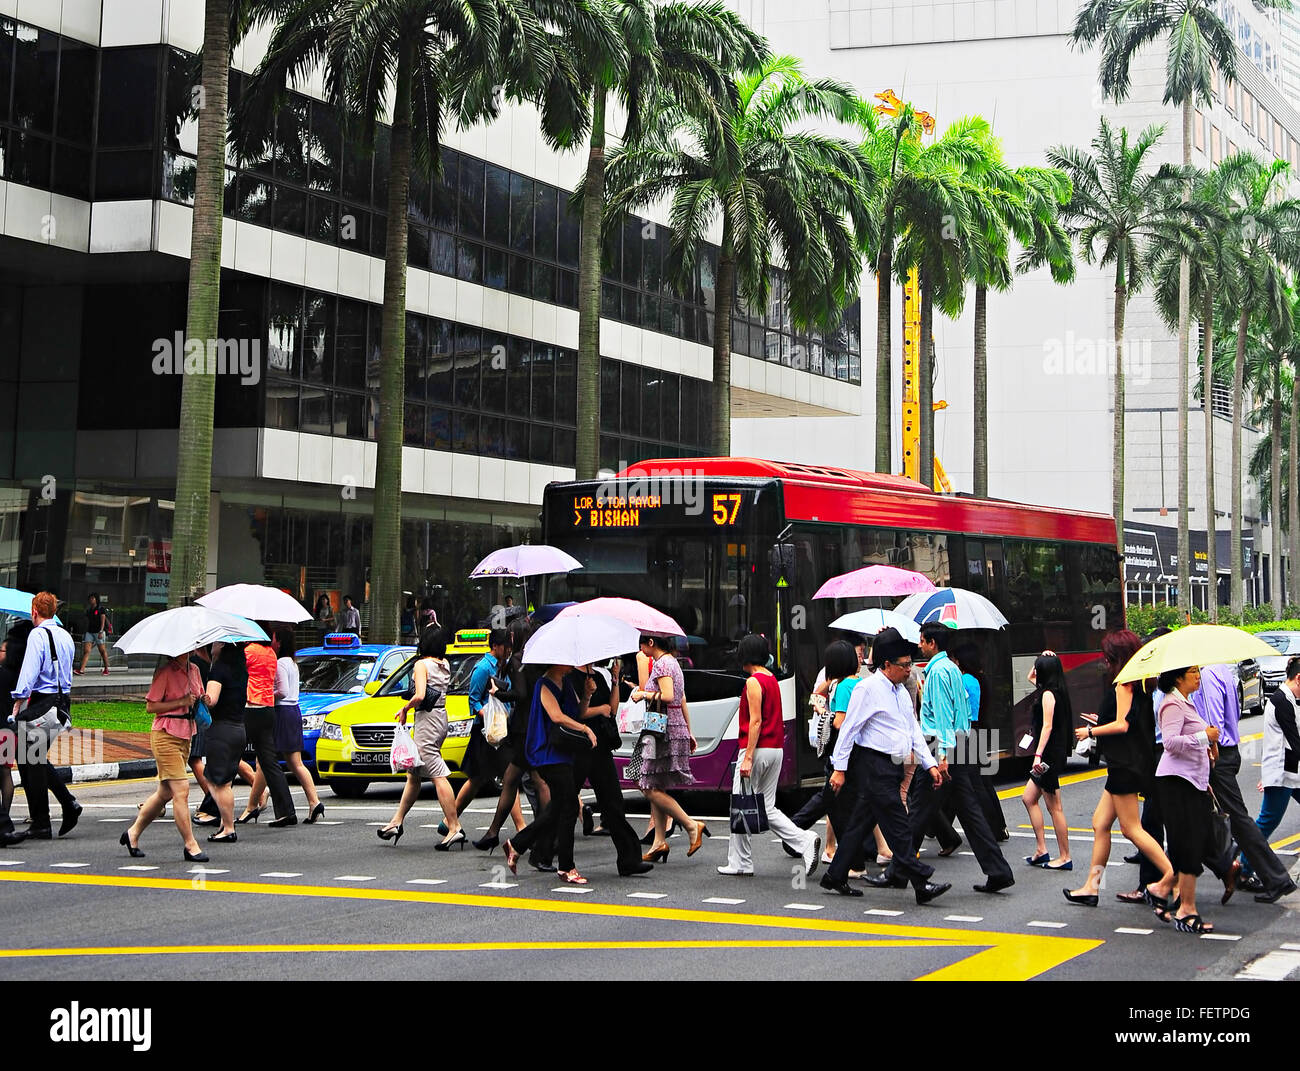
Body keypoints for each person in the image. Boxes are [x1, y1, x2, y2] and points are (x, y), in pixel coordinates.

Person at [819, 627, 950, 905]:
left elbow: (913, 730)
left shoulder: (901, 691)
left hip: (892, 766)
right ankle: (921, 881)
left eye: (910, 664)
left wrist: (930, 765)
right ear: (887, 665)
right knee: (898, 824)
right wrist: (839, 769)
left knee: (859, 823)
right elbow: (849, 730)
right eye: (904, 665)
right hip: (873, 765)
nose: (909, 670)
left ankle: (835, 874)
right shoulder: (867, 689)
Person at [891, 623, 1014, 894]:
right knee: (969, 812)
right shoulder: (953, 669)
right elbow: (959, 713)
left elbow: (943, 716)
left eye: (922, 641)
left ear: (932, 643)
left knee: (920, 807)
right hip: (962, 742)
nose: (919, 645)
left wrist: (942, 757)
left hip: (940, 747)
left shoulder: (936, 672)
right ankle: (999, 870)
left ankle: (898, 870)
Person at [1063, 630, 1175, 909]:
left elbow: (1122, 725)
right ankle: (1092, 886)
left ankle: (1172, 876)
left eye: (1108, 657)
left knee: (1131, 828)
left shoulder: (1123, 683)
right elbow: (1129, 722)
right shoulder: (1141, 683)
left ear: (1117, 658)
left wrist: (1090, 730)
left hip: (1124, 765)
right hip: (1127, 763)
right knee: (1100, 823)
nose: (1104, 661)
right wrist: (1100, 721)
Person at [1194, 661, 1297, 904]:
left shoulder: (1207, 677)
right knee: (1195, 818)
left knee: (1239, 820)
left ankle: (1275, 878)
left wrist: (1207, 751)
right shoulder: (1223, 672)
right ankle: (1171, 879)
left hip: (1217, 755)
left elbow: (1213, 728)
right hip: (1229, 753)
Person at [719, 634, 820, 877]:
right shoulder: (772, 679)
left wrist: (748, 757)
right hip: (775, 749)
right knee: (766, 806)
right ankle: (803, 840)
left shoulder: (753, 682)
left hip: (757, 749)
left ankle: (741, 862)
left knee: (740, 804)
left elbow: (755, 722)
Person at [504, 662, 598, 884]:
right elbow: (556, 716)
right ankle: (566, 867)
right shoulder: (543, 684)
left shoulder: (565, 682)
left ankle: (516, 845)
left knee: (558, 807)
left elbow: (579, 712)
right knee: (569, 806)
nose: (572, 665)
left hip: (563, 752)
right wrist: (585, 729)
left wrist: (587, 694)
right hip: (546, 753)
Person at [378, 627, 464, 849]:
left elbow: (420, 695)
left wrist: (405, 707)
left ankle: (454, 827)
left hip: (427, 721)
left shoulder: (421, 664)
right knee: (414, 775)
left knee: (436, 773)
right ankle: (396, 821)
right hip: (441, 717)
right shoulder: (443, 664)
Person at [121, 651, 208, 861]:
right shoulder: (165, 672)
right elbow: (151, 706)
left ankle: (132, 833)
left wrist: (204, 699)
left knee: (165, 793)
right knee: (181, 790)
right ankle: (190, 845)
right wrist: (181, 701)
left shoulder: (194, 670)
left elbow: (199, 697)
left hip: (186, 734)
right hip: (165, 734)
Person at [1153, 665, 1221, 933]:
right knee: (1189, 844)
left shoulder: (1187, 703)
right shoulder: (1172, 705)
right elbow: (1169, 742)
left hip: (1192, 782)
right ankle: (1186, 909)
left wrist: (1208, 746)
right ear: (1178, 677)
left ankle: (1161, 889)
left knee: (1196, 843)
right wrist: (1204, 736)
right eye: (1192, 671)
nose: (1198, 676)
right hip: (1176, 783)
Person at [570, 659, 653, 876]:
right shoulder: (571, 678)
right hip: (580, 746)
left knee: (614, 802)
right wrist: (599, 707)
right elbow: (577, 713)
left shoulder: (598, 675)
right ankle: (530, 846)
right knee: (565, 802)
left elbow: (613, 708)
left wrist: (615, 679)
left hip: (601, 746)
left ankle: (629, 860)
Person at [629, 635, 709, 862]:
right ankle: (659, 842)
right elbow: (682, 698)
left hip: (662, 729)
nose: (641, 650)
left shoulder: (663, 663)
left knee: (648, 785)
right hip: (672, 726)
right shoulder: (673, 662)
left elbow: (669, 696)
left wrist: (642, 694)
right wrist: (689, 730)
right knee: (656, 783)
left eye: (642, 645)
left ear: (651, 643)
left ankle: (691, 825)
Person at [10, 592, 79, 841]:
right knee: (32, 758)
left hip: (43, 702)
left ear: (35, 611)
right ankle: (67, 804)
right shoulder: (65, 635)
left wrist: (18, 701)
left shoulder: (38, 634)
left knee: (30, 758)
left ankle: (42, 821)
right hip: (61, 704)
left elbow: (29, 672)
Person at [791, 640, 862, 864]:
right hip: (857, 753)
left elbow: (840, 722)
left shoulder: (842, 688)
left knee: (832, 801)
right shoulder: (857, 683)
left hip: (841, 753)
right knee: (842, 804)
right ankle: (851, 856)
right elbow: (816, 696)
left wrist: (824, 713)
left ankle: (793, 834)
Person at [474, 620, 538, 851]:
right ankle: (493, 832)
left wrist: (498, 693)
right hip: (533, 726)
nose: (509, 640)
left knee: (535, 781)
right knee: (512, 780)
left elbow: (520, 694)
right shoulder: (536, 658)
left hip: (522, 729)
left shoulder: (518, 661)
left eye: (511, 635)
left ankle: (543, 833)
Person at [442, 629, 512, 834]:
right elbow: (473, 699)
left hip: (499, 728)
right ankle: (521, 826)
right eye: (505, 647)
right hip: (486, 731)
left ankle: (448, 821)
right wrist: (488, 716)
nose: (508, 651)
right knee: (506, 776)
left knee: (478, 778)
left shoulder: (503, 666)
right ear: (496, 646)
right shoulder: (483, 668)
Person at [1242, 657, 1300, 889]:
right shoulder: (1281, 702)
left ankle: (1240, 862)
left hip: (1290, 771)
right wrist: (1267, 776)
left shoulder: (1290, 699)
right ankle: (1241, 867)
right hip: (1282, 772)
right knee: (1267, 821)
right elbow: (1295, 742)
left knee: (1266, 821)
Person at [1021, 652, 1072, 870]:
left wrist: (1038, 755)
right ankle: (1042, 849)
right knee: (1028, 798)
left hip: (1048, 755)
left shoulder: (1048, 695)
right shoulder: (1055, 691)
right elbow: (1029, 676)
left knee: (1055, 807)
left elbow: (1047, 726)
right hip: (1053, 753)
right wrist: (1044, 656)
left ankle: (1065, 856)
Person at [952, 641, 1007, 840]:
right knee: (984, 782)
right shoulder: (981, 678)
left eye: (956, 660)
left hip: (971, 733)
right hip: (982, 730)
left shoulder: (966, 680)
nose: (954, 663)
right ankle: (999, 826)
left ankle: (993, 828)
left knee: (976, 784)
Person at [240, 636, 296, 827]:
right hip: (268, 708)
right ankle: (286, 811)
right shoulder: (271, 653)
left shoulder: (247, 652)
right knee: (270, 762)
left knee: (229, 756)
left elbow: (240, 674)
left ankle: (212, 808)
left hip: (251, 705)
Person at [269, 628, 324, 822]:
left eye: (273, 637)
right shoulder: (292, 663)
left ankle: (254, 804)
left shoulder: (280, 663)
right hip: (293, 710)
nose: (271, 641)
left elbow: (282, 691)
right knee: (295, 763)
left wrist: (267, 694)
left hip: (283, 711)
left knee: (266, 761)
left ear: (280, 641)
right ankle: (314, 801)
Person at [202, 642, 248, 842]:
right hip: (238, 728)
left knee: (217, 783)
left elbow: (212, 700)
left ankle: (229, 827)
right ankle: (224, 824)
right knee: (225, 781)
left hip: (221, 730)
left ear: (223, 647)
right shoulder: (240, 669)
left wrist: (198, 697)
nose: (212, 645)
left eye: (215, 643)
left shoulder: (219, 669)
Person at [0, 623, 34, 846]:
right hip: (8, 730)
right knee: (5, 775)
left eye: (2, 649)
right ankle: (5, 817)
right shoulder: (18, 677)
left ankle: (3, 823)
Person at [76, 593, 110, 676]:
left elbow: (103, 620)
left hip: (98, 632)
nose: (91, 600)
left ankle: (106, 668)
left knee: (102, 651)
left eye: (93, 598)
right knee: (86, 651)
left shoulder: (101, 609)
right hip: (90, 632)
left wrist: (101, 631)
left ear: (96, 599)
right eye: (90, 599)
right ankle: (82, 670)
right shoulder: (89, 610)